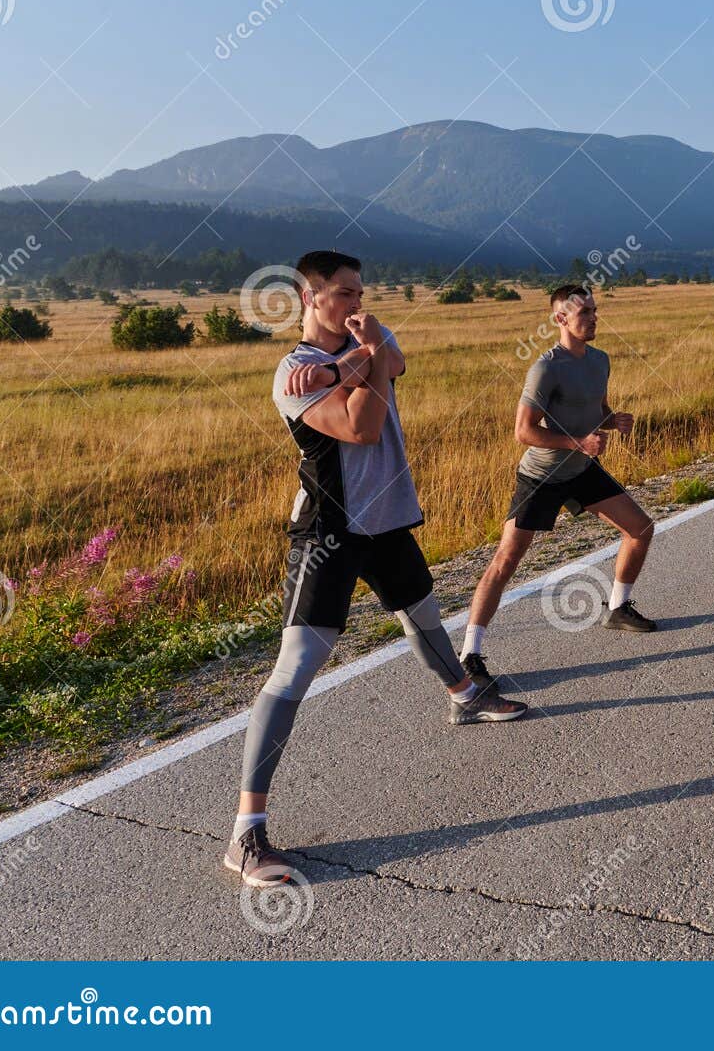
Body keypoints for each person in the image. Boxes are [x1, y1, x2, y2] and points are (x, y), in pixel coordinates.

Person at [223, 250, 525, 889]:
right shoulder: (292, 373)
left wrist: (353, 360)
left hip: (386, 518)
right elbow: (362, 425)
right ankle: (246, 833)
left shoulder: (354, 346)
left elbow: (397, 362)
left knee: (421, 614)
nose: (358, 304)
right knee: (296, 667)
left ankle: (465, 695)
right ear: (309, 298)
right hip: (330, 533)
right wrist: (363, 361)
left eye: (361, 292)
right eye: (345, 294)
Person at [460, 285, 657, 677]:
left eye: (595, 310)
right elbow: (523, 431)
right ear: (560, 319)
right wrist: (579, 442)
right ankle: (470, 655)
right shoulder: (546, 368)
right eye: (584, 313)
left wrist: (614, 420)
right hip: (542, 476)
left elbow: (596, 412)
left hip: (580, 470)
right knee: (505, 561)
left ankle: (618, 608)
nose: (594, 318)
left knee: (641, 529)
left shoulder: (600, 360)